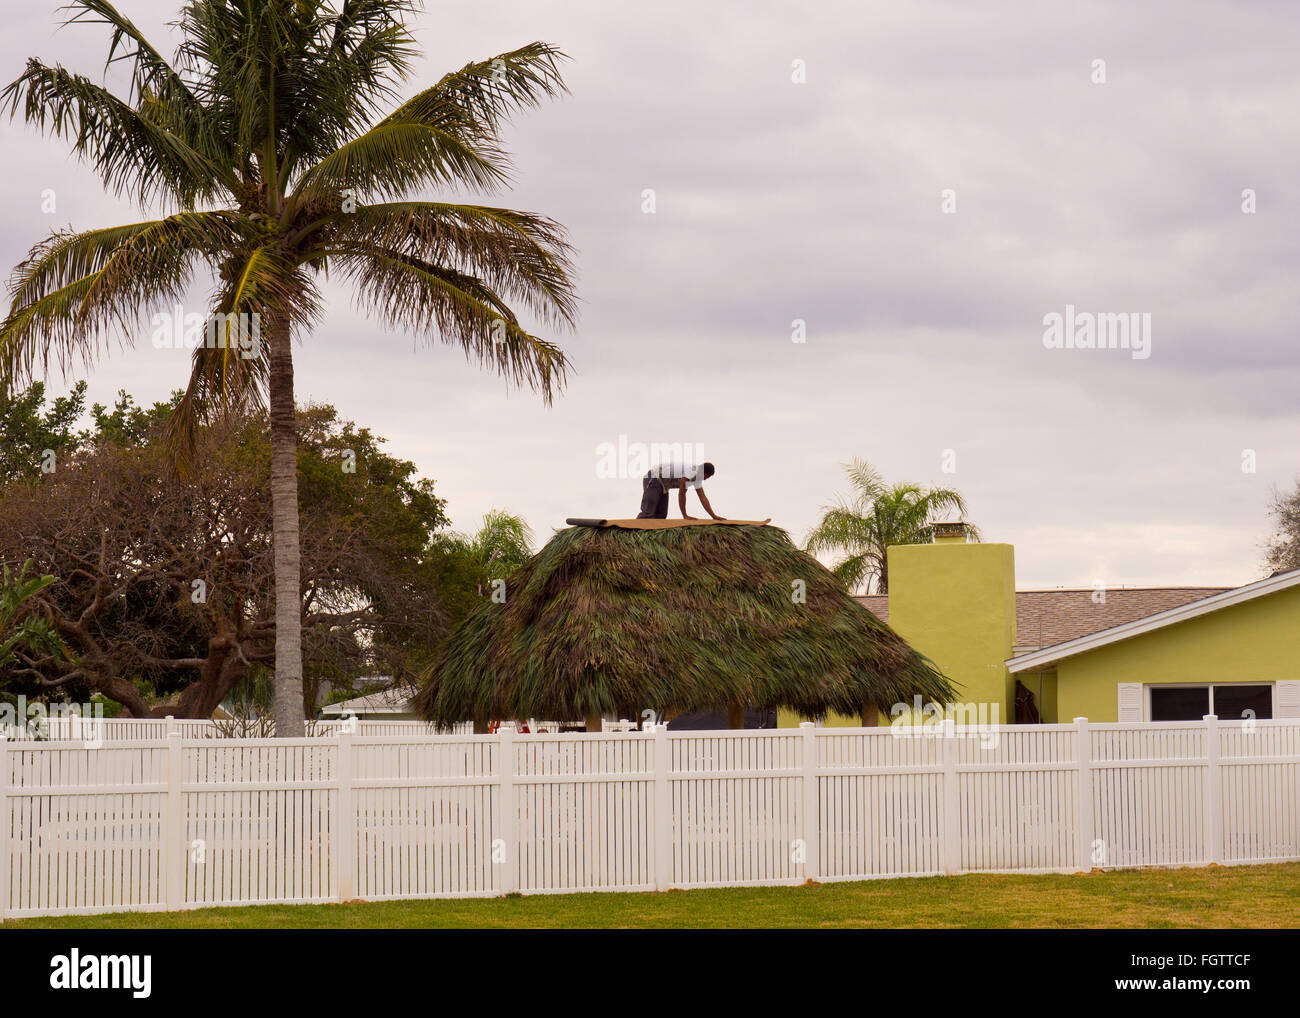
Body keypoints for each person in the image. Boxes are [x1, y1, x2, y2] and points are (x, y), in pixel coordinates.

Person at [636, 461, 724, 520]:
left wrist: (714, 516)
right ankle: (633, 535)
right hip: (654, 478)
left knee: (661, 515)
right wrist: (685, 515)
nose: (705, 479)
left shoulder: (697, 479)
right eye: (707, 477)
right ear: (704, 473)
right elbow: (682, 494)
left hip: (664, 486)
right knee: (648, 513)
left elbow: (703, 498)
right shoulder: (691, 472)